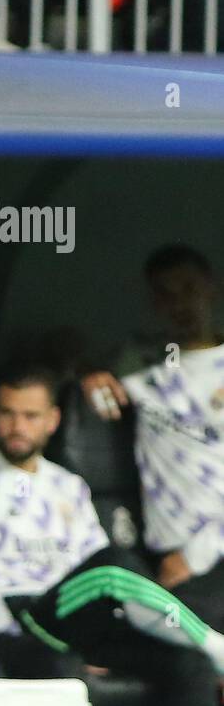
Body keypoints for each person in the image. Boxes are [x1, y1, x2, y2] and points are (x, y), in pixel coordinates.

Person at [0, 368, 224, 706]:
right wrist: (26, 647)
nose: (17, 426)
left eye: (30, 416)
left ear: (52, 420)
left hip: (84, 617)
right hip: (28, 620)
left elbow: (93, 567)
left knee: (191, 665)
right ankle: (217, 645)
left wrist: (97, 631)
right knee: (114, 565)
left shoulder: (68, 486)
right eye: (8, 413)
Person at [80, 245, 224, 597]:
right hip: (169, 554)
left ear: (211, 289)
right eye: (166, 294)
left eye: (189, 289)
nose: (180, 304)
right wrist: (89, 373)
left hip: (205, 553)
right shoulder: (137, 363)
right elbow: (56, 356)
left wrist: (197, 555)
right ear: (154, 303)